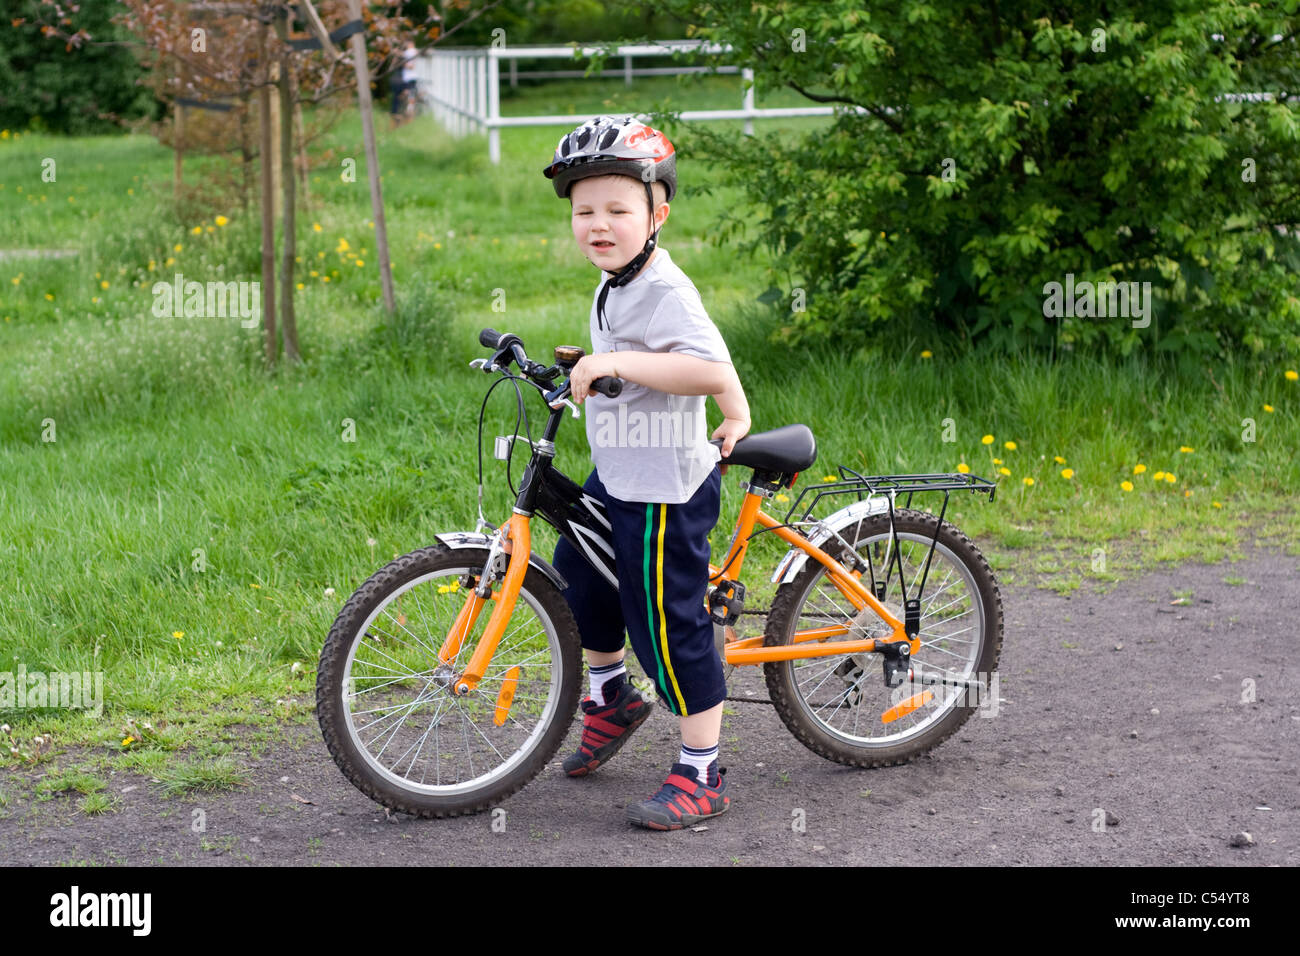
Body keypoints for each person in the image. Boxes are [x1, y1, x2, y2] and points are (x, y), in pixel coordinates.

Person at [542, 115, 751, 830]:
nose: (598, 224)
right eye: (584, 210)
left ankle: (703, 772)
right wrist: (583, 365)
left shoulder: (664, 287)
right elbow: (662, 357)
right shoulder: (614, 282)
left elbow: (704, 362)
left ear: (658, 213)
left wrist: (624, 365)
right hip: (620, 471)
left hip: (665, 489)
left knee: (667, 626)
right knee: (582, 573)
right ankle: (610, 699)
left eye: (617, 210)